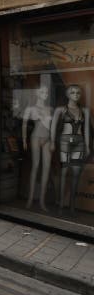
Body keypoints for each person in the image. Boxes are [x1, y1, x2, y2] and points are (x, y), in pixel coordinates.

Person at [50, 84, 91, 215]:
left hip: (79, 142)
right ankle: (61, 205)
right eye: (73, 92)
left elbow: (86, 130)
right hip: (65, 142)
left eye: (78, 92)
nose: (76, 95)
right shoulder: (60, 110)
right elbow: (53, 127)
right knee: (64, 173)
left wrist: (88, 145)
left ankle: (72, 206)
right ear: (67, 94)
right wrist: (52, 142)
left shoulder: (84, 111)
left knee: (76, 174)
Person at [22, 86, 53, 211]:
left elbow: (52, 126)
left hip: (47, 138)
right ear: (37, 93)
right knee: (35, 166)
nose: (45, 94)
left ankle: (42, 201)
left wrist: (51, 139)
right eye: (42, 92)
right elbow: (24, 124)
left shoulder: (49, 109)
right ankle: (30, 199)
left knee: (46, 168)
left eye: (46, 92)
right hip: (35, 137)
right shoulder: (30, 109)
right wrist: (24, 139)